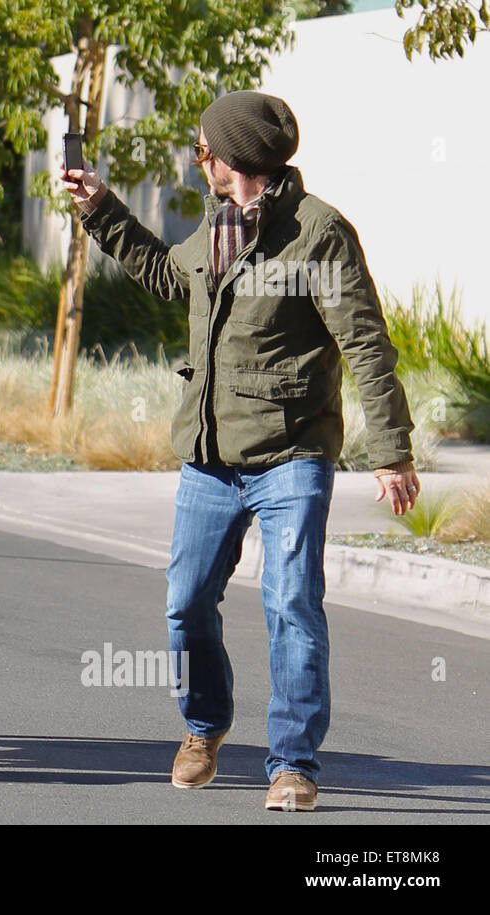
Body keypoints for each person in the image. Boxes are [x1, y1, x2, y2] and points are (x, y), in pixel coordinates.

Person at [60, 90, 420, 812]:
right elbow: (168, 274)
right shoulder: (217, 230)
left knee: (291, 604)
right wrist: (101, 209)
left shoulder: (318, 233)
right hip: (210, 453)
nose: (199, 160)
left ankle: (292, 763)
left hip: (293, 451)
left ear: (234, 157)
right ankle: (204, 726)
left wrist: (391, 449)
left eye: (203, 149)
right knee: (185, 602)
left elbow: (364, 342)